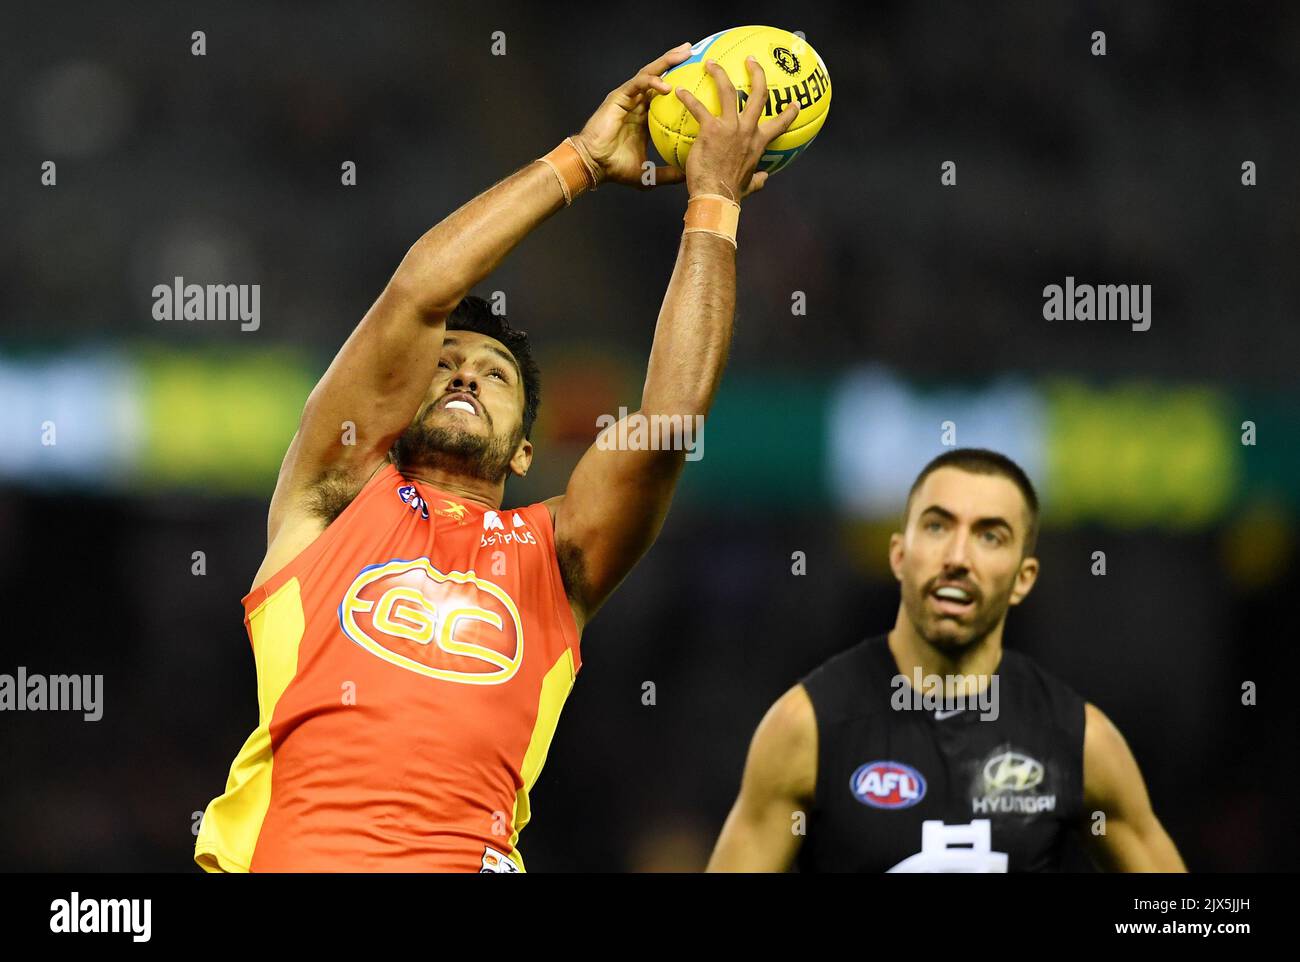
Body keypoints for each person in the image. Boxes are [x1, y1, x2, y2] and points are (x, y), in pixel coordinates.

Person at [195, 44, 799, 872]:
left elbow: (669, 421)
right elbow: (419, 293)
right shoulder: (333, 498)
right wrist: (580, 161)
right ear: (399, 406)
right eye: (445, 363)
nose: (465, 373)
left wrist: (714, 201)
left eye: (495, 374)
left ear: (523, 452)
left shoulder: (557, 557)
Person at [708, 448, 1187, 872]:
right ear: (899, 555)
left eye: (990, 536)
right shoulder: (806, 728)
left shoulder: (1078, 740)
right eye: (937, 526)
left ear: (1024, 578)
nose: (957, 556)